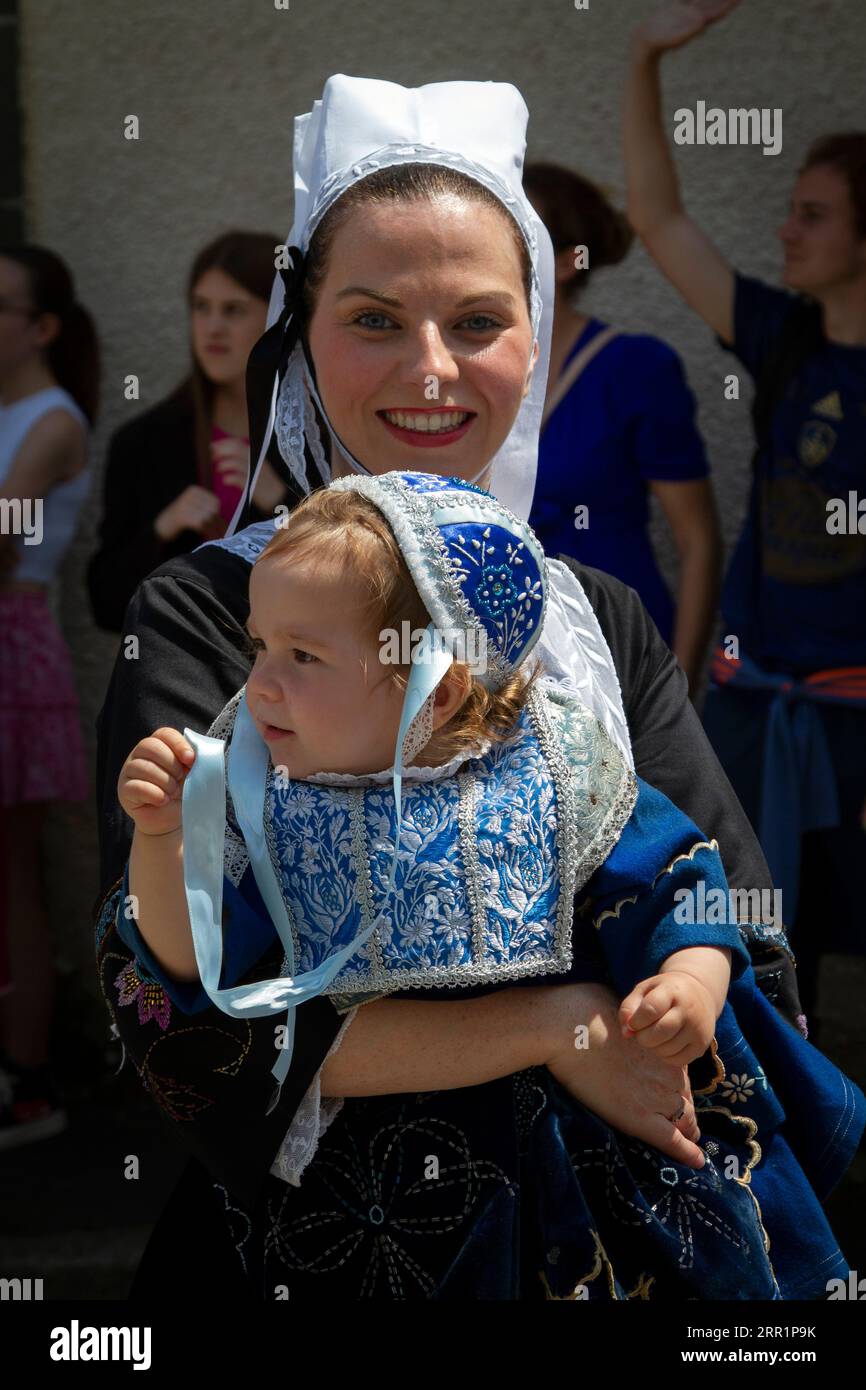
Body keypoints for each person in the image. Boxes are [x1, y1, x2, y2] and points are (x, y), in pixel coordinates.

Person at [93, 74, 831, 1299]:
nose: (431, 370)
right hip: (326, 1251)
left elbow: (735, 919)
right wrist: (559, 1026)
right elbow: (180, 1025)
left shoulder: (594, 617)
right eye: (373, 318)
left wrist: (680, 997)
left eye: (479, 320)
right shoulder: (211, 612)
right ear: (297, 336)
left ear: (536, 337)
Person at [111, 470, 862, 1298]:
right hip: (376, 1204)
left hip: (585, 1173)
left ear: (439, 690)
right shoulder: (260, 796)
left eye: (303, 655)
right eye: (260, 645)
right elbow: (195, 973)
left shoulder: (554, 766)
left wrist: (691, 977)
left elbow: (682, 879)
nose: (258, 683)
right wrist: (164, 838)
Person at [623, 0, 866, 1040]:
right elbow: (658, 221)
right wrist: (641, 57)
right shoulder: (784, 338)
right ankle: (762, 1175)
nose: (784, 228)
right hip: (751, 705)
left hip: (856, 727)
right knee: (753, 949)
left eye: (811, 212)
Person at [523, 161, 721, 691]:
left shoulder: (635, 367)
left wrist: (681, 689)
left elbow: (698, 539)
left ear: (567, 261)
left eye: (523, 233)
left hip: (618, 648)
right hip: (507, 654)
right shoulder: (458, 372)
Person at [0, 245, 98, 1148]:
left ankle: (28, 1081)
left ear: (42, 328)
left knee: (12, 872)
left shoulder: (52, 420)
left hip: (14, 638)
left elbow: (2, 535)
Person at [86, 231, 299, 632]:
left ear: (276, 317)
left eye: (234, 310)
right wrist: (162, 529)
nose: (212, 327)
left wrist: (281, 502)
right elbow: (106, 605)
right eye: (201, 307)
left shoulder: (316, 436)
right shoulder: (145, 441)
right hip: (179, 677)